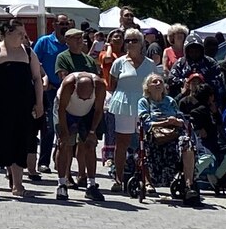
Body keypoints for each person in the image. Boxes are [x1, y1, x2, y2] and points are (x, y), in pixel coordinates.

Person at [0, 20, 44, 199]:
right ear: (7, 33)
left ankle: (17, 184)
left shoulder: (28, 52)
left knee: (20, 143)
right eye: (19, 33)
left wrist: (39, 103)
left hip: (23, 107)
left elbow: (37, 78)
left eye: (23, 33)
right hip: (1, 106)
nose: (23, 36)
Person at [137, 74, 203, 205]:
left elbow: (181, 119)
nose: (158, 84)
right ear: (148, 87)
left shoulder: (170, 101)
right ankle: (148, 181)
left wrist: (177, 122)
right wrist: (165, 122)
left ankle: (189, 185)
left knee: (187, 143)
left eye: (160, 81)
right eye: (154, 82)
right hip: (154, 137)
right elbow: (145, 123)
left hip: (173, 135)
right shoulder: (144, 102)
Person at [106, 28, 154, 190]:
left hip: (144, 106)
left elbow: (155, 86)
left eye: (135, 40)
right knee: (122, 143)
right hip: (123, 104)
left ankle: (147, 181)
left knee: (145, 143)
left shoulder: (150, 64)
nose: (131, 43)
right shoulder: (118, 63)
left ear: (142, 43)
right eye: (128, 40)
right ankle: (118, 179)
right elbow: (111, 85)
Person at [55, 71, 107, 201]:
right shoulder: (68, 84)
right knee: (63, 144)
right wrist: (65, 132)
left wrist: (92, 132)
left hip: (88, 113)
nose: (84, 100)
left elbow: (99, 110)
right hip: (66, 112)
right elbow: (61, 109)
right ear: (75, 88)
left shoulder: (100, 86)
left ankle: (91, 185)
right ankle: (62, 184)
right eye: (81, 97)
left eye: (87, 97)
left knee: (90, 145)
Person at [32, 14, 72, 174]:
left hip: (67, 89)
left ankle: (61, 161)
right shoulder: (44, 42)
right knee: (48, 128)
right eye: (61, 23)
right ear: (54, 25)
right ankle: (43, 162)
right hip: (49, 90)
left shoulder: (71, 44)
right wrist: (43, 78)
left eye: (66, 24)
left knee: (65, 127)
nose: (64, 26)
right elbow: (34, 61)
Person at [166, 34, 226, 103]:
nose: (194, 54)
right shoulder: (180, 63)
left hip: (207, 100)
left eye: (197, 51)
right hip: (185, 100)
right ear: (186, 51)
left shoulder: (210, 62)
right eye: (191, 52)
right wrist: (185, 82)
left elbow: (218, 79)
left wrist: (201, 84)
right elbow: (171, 79)